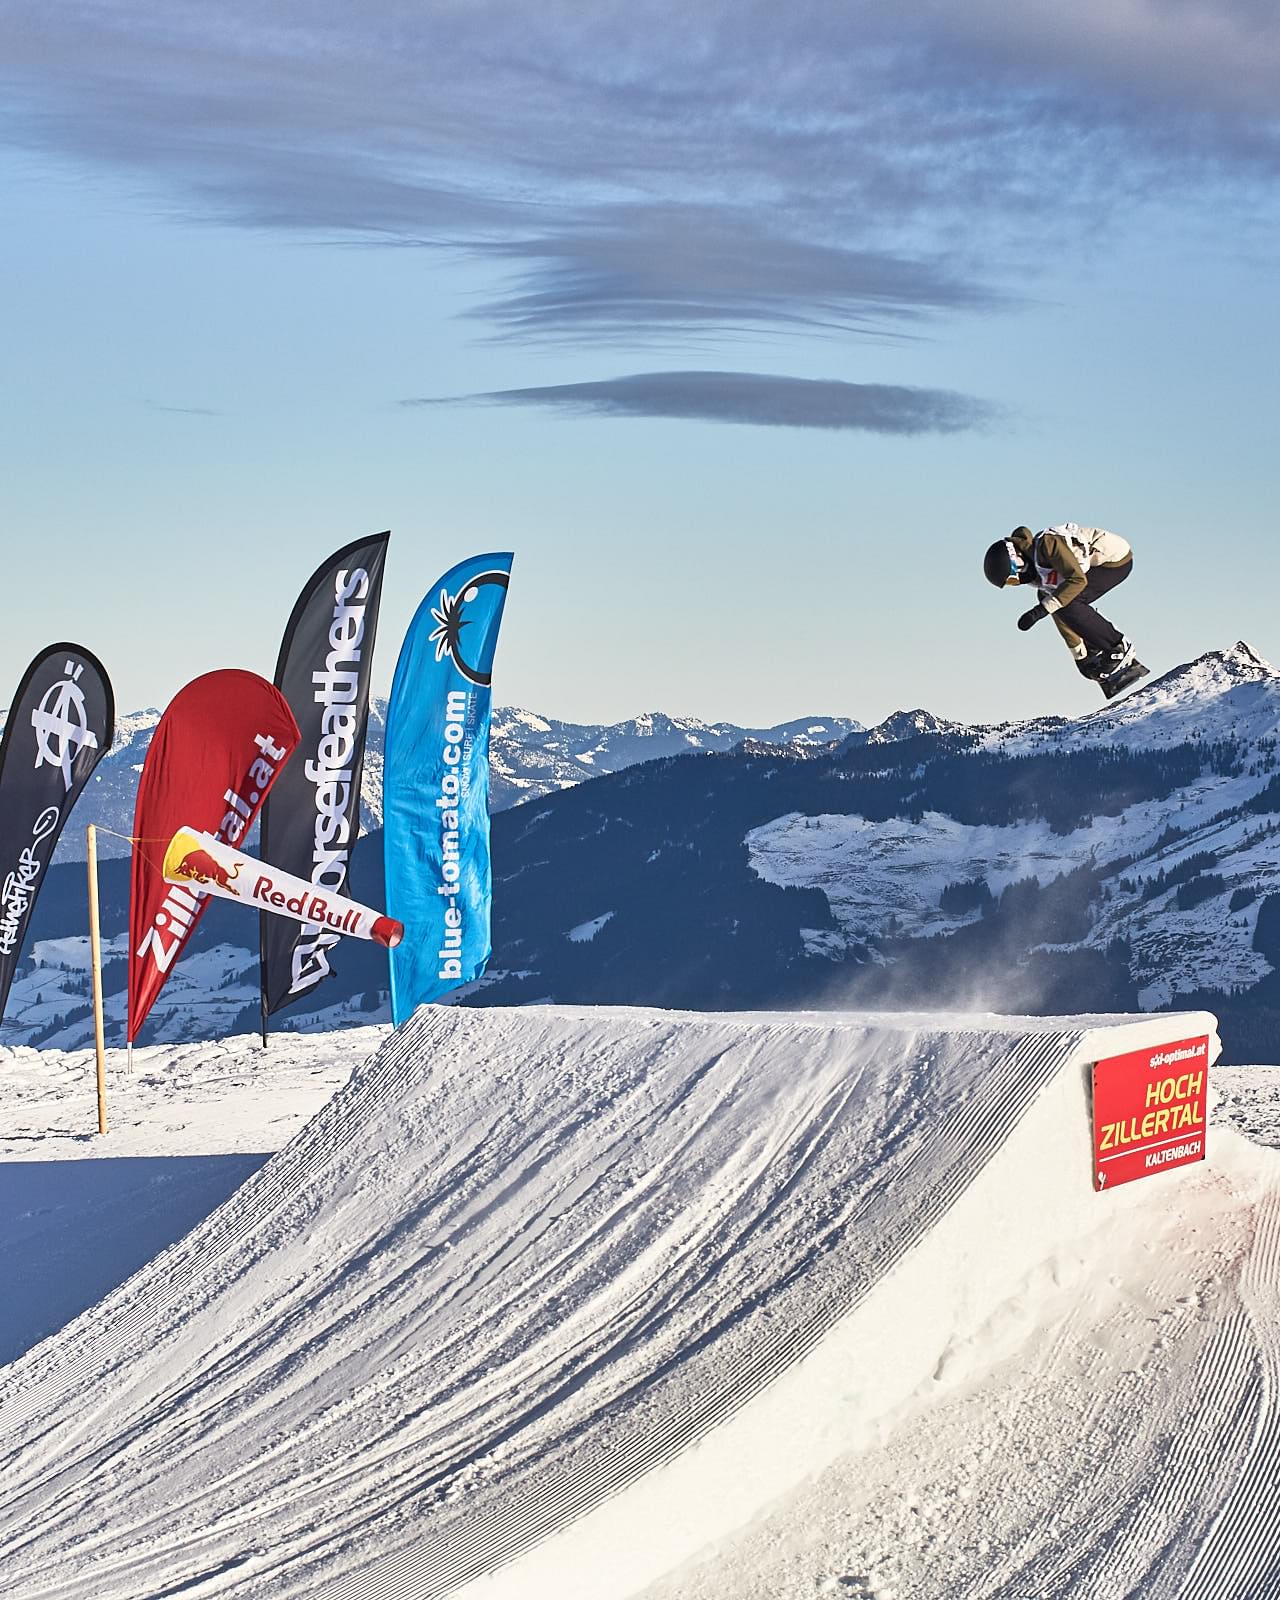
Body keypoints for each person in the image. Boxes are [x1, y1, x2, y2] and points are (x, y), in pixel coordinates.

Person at [984, 523, 1148, 698]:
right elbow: (1058, 611)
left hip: (1114, 561)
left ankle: (1118, 646)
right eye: (1011, 582)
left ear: (1016, 558)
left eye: (1012, 576)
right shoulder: (1037, 572)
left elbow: (1077, 581)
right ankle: (1095, 644)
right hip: (1093, 568)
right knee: (1055, 599)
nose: (1017, 581)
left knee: (1067, 600)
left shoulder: (1047, 545)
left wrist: (1039, 611)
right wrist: (1080, 656)